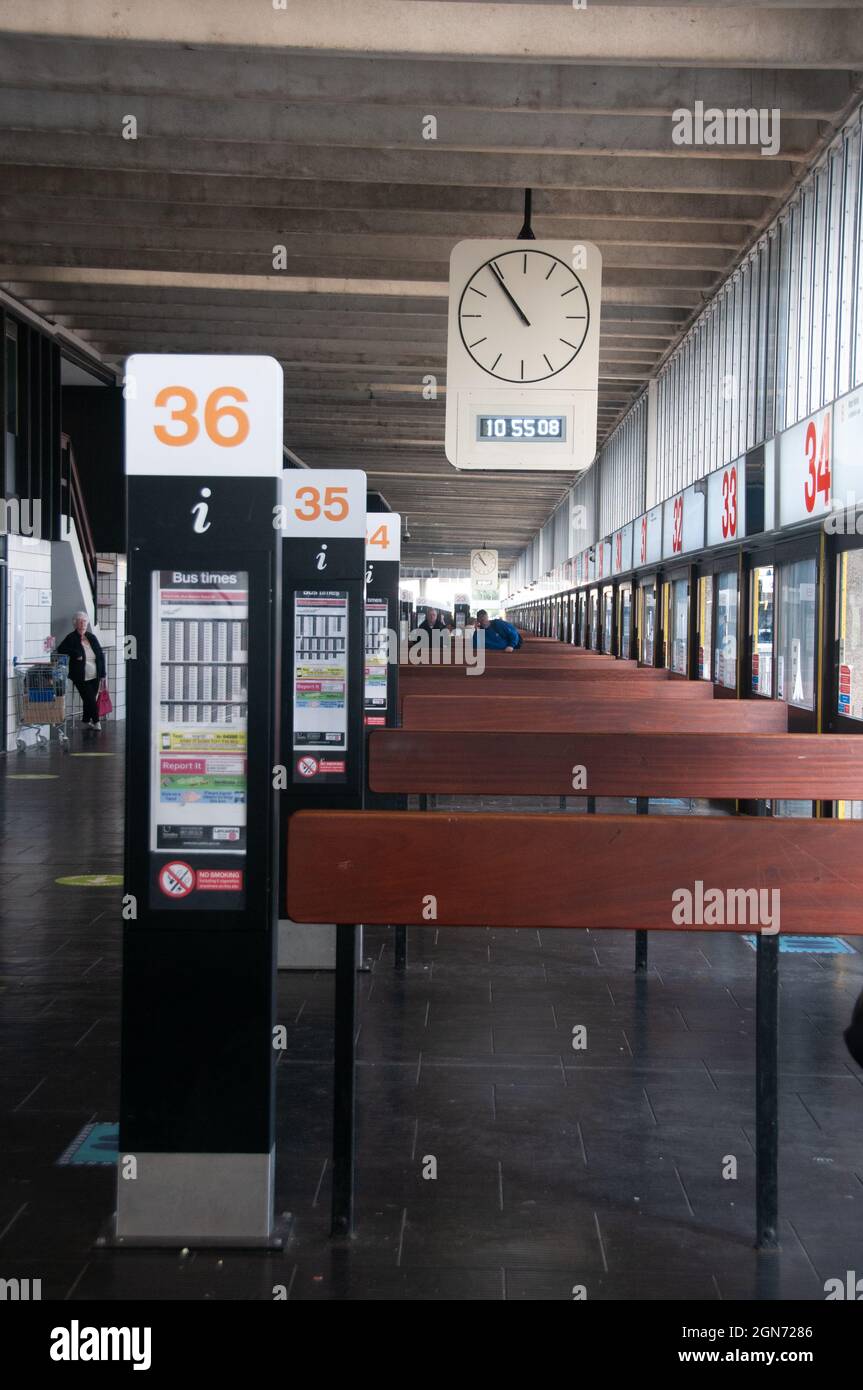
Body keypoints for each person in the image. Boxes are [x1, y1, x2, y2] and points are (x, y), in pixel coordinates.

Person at [57, 611, 106, 731]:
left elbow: (100, 655)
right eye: (80, 621)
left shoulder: (91, 637)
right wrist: (75, 654)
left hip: (95, 674)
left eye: (84, 621)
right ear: (75, 624)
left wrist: (103, 673)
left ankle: (85, 719)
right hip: (80, 675)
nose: (83, 623)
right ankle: (96, 721)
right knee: (89, 698)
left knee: (90, 698)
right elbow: (61, 649)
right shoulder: (71, 637)